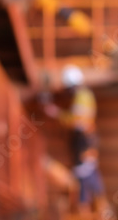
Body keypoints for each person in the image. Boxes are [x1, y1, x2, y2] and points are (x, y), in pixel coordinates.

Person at [44, 65, 105, 207]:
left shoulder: (82, 96)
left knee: (84, 171)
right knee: (86, 170)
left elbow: (76, 119)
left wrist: (56, 113)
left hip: (84, 139)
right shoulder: (84, 95)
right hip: (85, 138)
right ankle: (90, 203)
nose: (68, 92)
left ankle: (86, 204)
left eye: (68, 89)